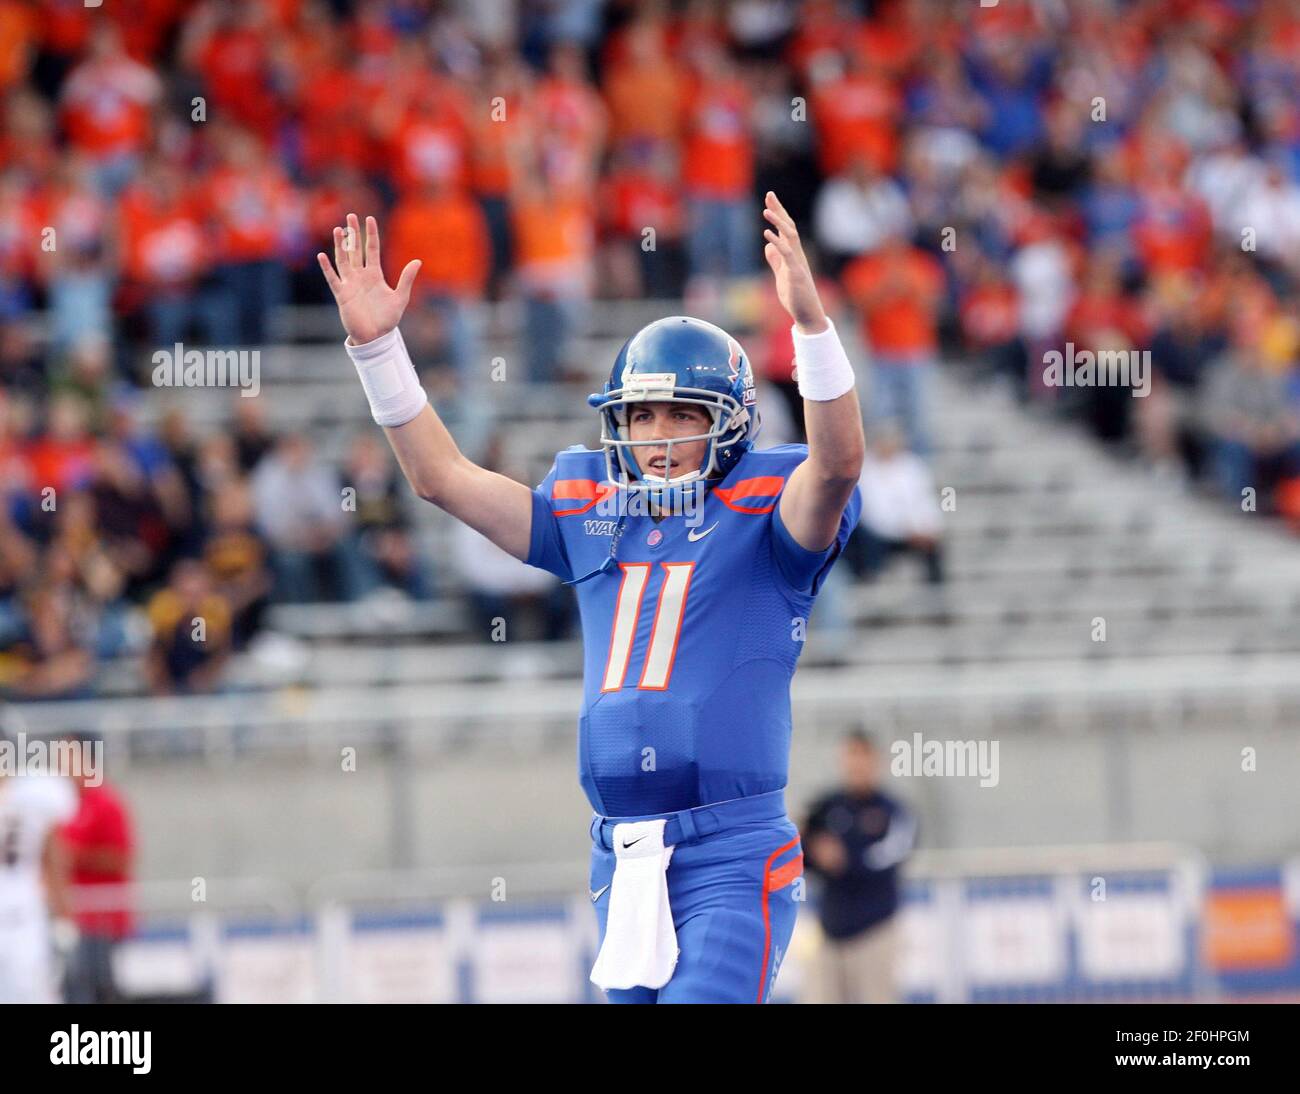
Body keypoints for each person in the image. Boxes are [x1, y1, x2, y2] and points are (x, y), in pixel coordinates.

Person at [316, 192, 864, 1004]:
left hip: (731, 851)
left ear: (732, 424)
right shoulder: (591, 504)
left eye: (684, 413)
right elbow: (442, 478)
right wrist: (379, 350)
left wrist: (812, 330)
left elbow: (839, 465)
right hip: (622, 856)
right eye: (643, 415)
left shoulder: (765, 506)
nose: (661, 435)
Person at [802, 730, 917, 1004]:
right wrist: (816, 852)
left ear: (876, 761)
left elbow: (891, 856)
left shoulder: (893, 811)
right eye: (851, 756)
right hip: (828, 933)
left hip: (874, 932)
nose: (856, 764)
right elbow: (800, 849)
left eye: (863, 756)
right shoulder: (826, 806)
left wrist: (845, 860)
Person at [58, 735, 134, 1003]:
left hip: (101, 917)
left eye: (67, 756)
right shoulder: (64, 803)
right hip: (74, 914)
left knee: (94, 985)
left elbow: (121, 858)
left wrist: (73, 857)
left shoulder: (105, 802)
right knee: (75, 985)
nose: (60, 764)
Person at [0, 755, 77, 1003]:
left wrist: (64, 915)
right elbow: (53, 861)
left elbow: (52, 860)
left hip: (24, 918)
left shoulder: (35, 793)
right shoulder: (37, 793)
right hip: (24, 919)